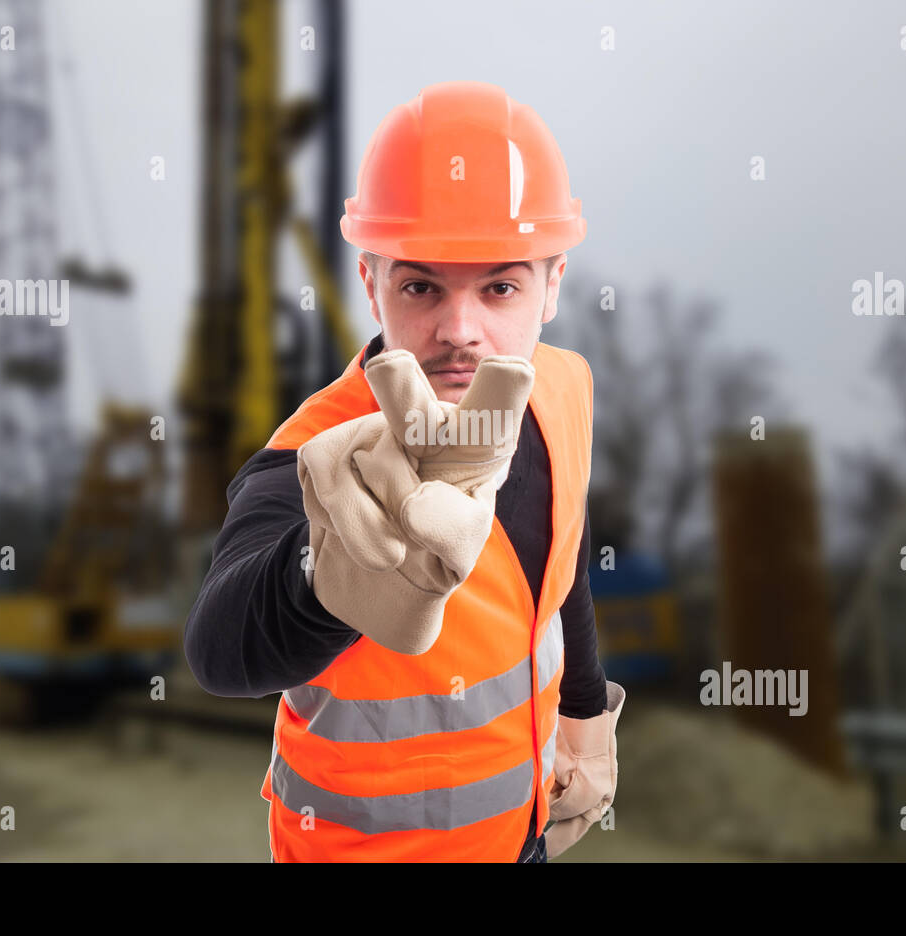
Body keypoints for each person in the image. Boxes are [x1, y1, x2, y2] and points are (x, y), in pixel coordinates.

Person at [183, 80, 624, 863]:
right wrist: (323, 578)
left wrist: (586, 729)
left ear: (553, 285)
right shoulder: (316, 456)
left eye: (500, 286)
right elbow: (219, 648)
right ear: (370, 282)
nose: (461, 331)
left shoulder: (563, 391)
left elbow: (565, 562)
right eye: (421, 285)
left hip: (523, 842)